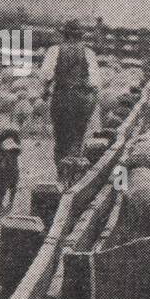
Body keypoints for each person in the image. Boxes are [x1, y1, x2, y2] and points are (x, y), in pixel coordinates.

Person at [40, 19, 101, 182]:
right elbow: (95, 82)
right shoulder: (88, 53)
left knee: (60, 137)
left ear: (65, 35)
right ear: (80, 36)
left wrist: (45, 90)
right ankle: (73, 175)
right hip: (82, 100)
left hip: (62, 97)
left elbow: (45, 75)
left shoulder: (55, 50)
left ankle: (61, 175)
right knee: (78, 137)